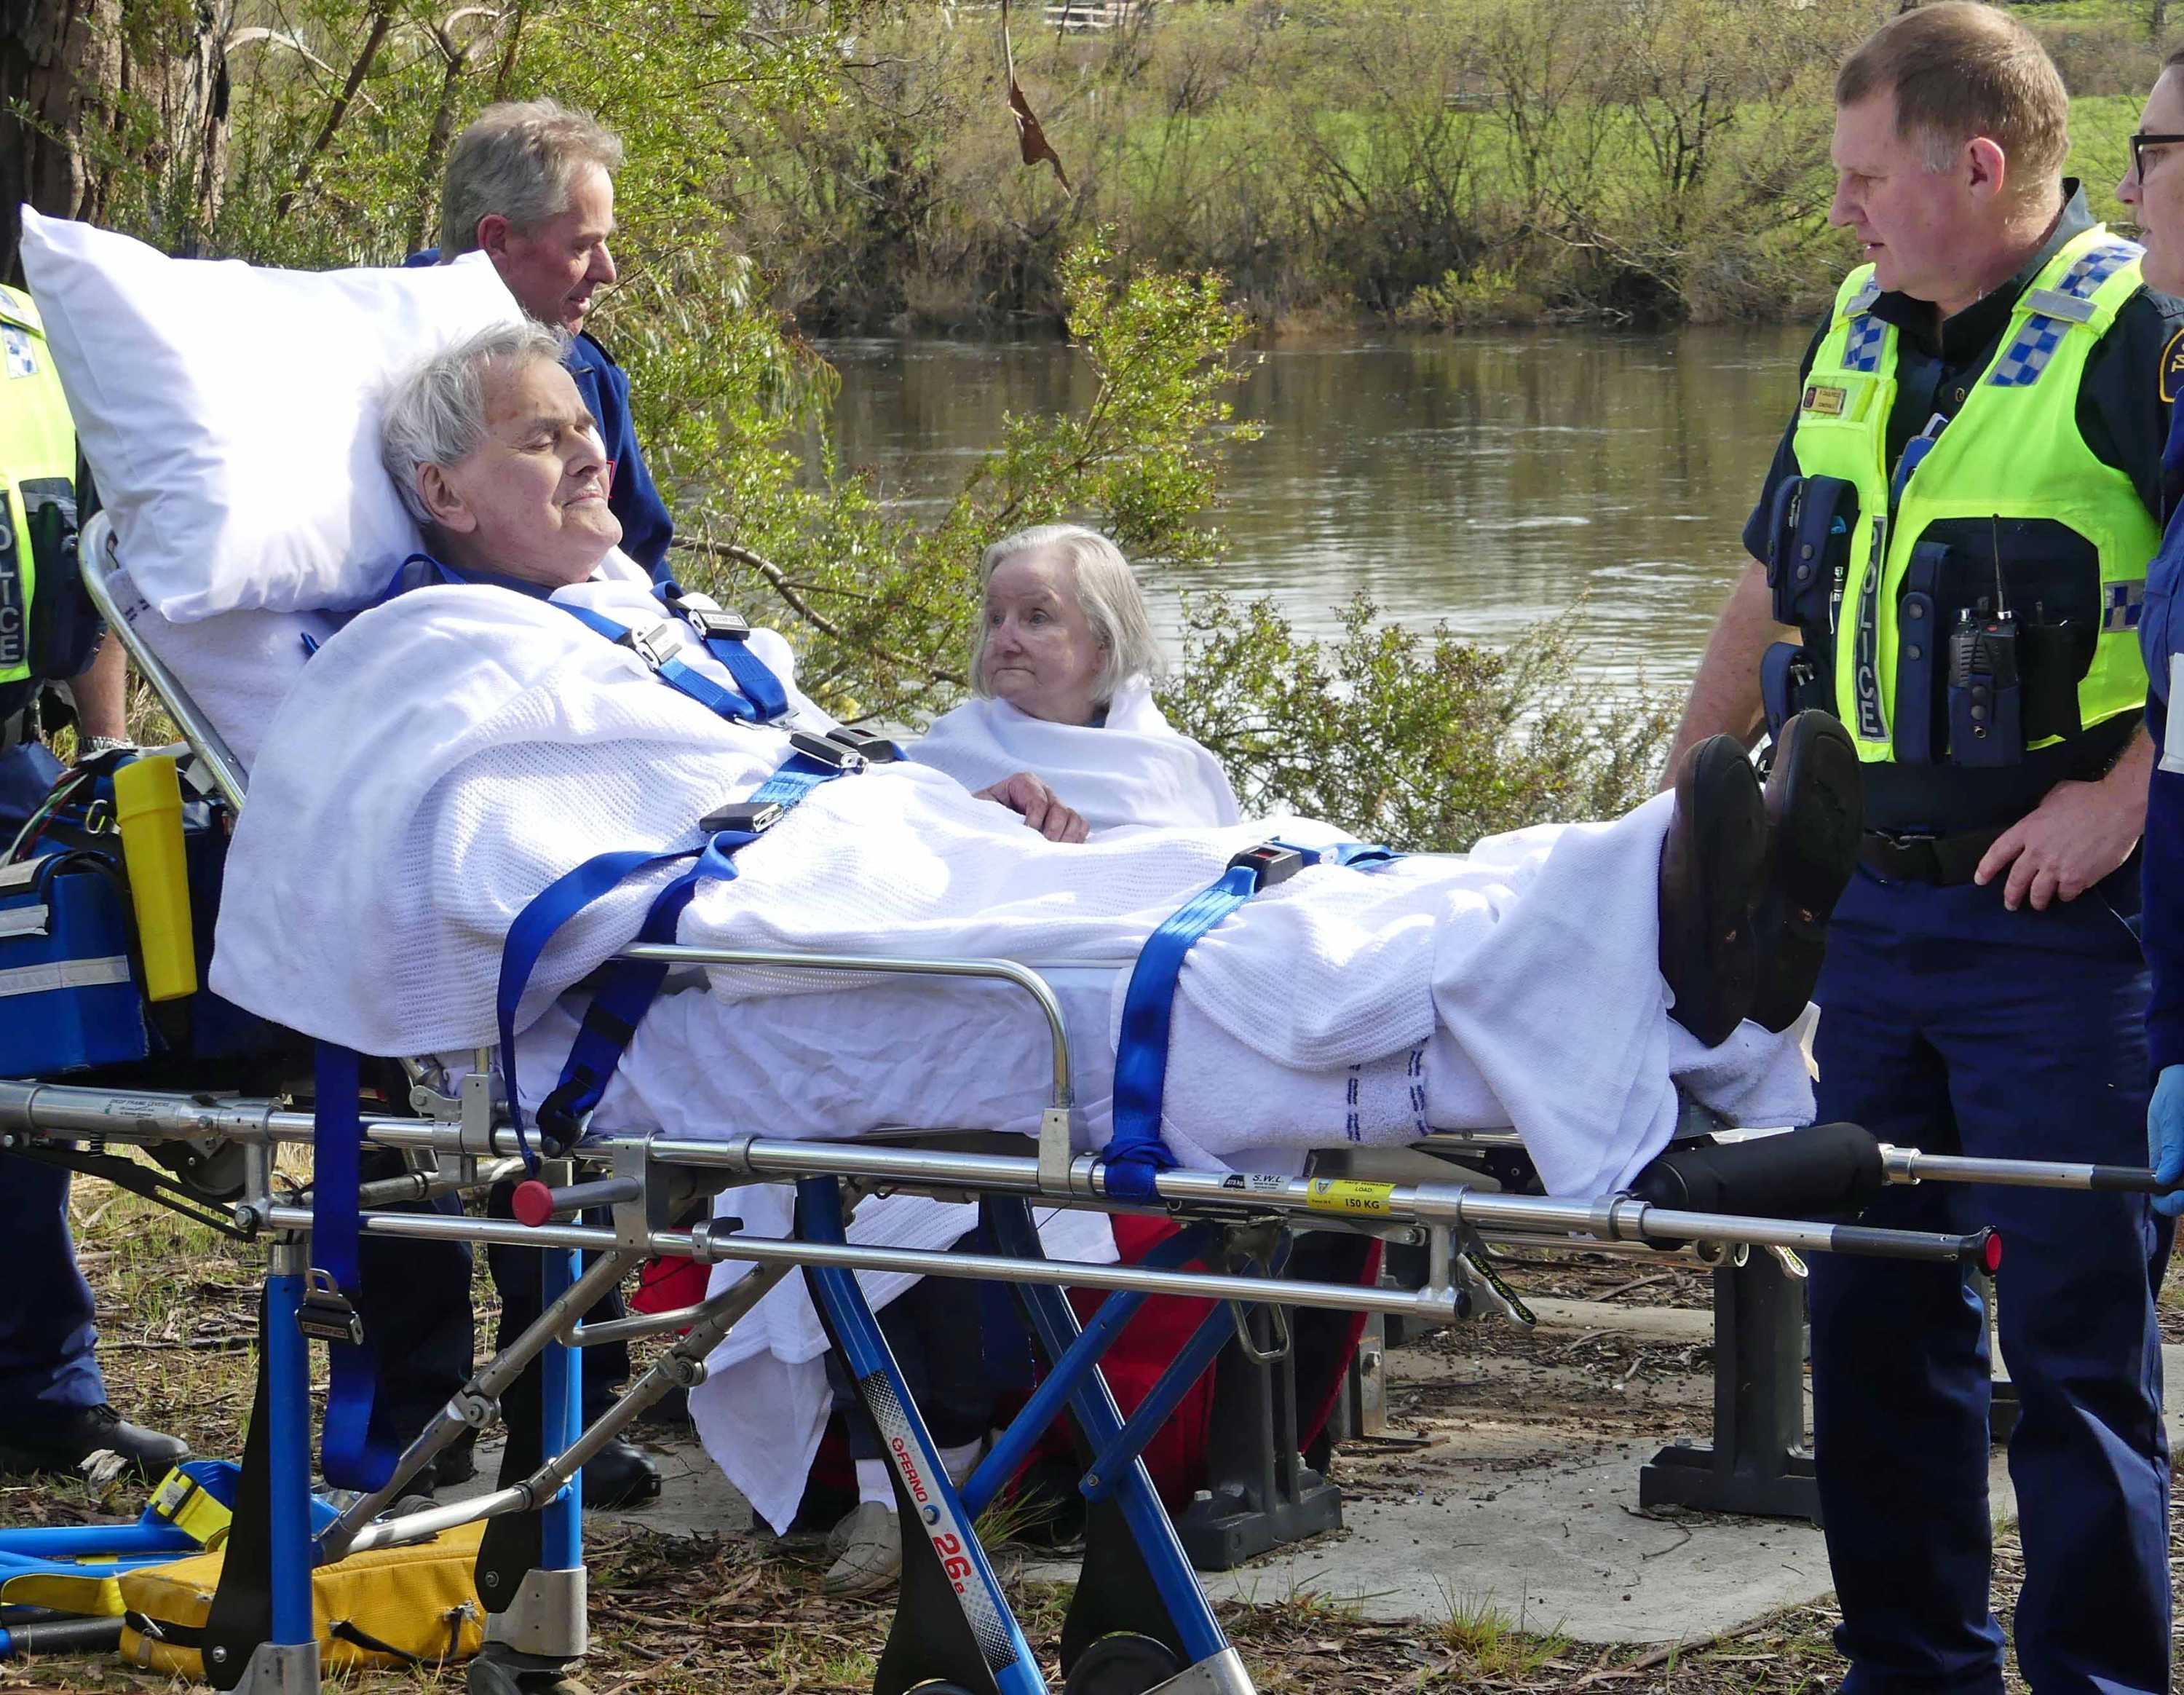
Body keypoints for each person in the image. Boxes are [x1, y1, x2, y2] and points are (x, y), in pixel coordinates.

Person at [1662, 9, 2176, 1691]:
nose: (1839, 210)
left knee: (2074, 1347)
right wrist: (1672, 803)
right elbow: (1772, 577)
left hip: (2063, 934)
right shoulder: (1855, 323)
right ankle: (1908, 1668)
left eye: (1865, 177)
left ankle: (2098, 1679)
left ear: (1977, 166)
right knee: (1873, 1319)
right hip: (1869, 921)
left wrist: (2128, 788)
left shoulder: (2140, 331)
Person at [0, 281, 186, 1480]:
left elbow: (92, 560)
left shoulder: (29, 341)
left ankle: (40, 1389)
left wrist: (106, 747)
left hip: (16, 766)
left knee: (32, 1094)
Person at [411, 100, 673, 580]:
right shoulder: (379, 361)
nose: (607, 272)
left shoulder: (588, 372)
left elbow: (643, 558)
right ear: (498, 240)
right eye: (582, 246)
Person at [911, 522, 1240, 834]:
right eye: (996, 618)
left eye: (1036, 618)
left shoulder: (1170, 771)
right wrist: (975, 812)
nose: (1003, 640)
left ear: (1104, 641)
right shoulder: (947, 751)